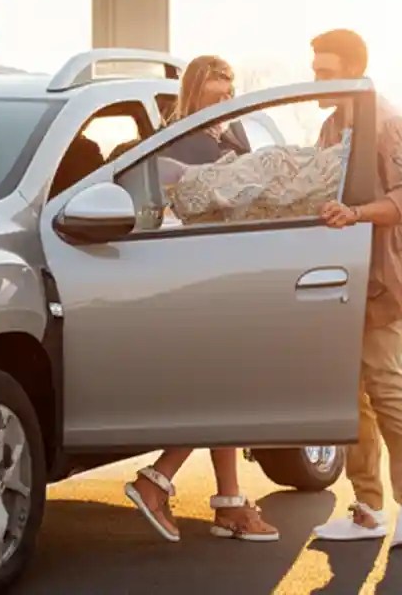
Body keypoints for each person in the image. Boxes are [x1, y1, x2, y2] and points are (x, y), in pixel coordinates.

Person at [123, 54, 281, 543]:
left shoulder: (236, 138)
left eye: (231, 90)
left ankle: (229, 502)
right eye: (217, 89)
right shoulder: (176, 143)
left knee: (224, 385)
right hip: (198, 271)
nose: (226, 98)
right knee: (224, 388)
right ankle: (158, 480)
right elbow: (173, 200)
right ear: (195, 90)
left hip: (235, 269)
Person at [307, 28, 402, 546]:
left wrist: (357, 213)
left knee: (385, 385)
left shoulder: (390, 124)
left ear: (354, 73)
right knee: (351, 394)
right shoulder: (329, 127)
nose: (316, 78)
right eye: (314, 69)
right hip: (343, 279)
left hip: (387, 278)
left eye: (325, 71)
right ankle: (366, 508)